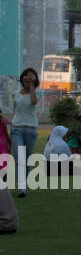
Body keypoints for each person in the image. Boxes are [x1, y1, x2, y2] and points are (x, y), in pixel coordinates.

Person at [11, 67, 40, 198]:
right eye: (26, 76)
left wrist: (32, 86)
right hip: (16, 128)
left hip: (30, 129)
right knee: (19, 158)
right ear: (22, 78)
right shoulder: (16, 92)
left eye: (31, 76)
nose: (28, 78)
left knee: (27, 159)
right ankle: (22, 187)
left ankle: (24, 184)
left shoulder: (37, 93)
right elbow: (15, 110)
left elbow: (33, 102)